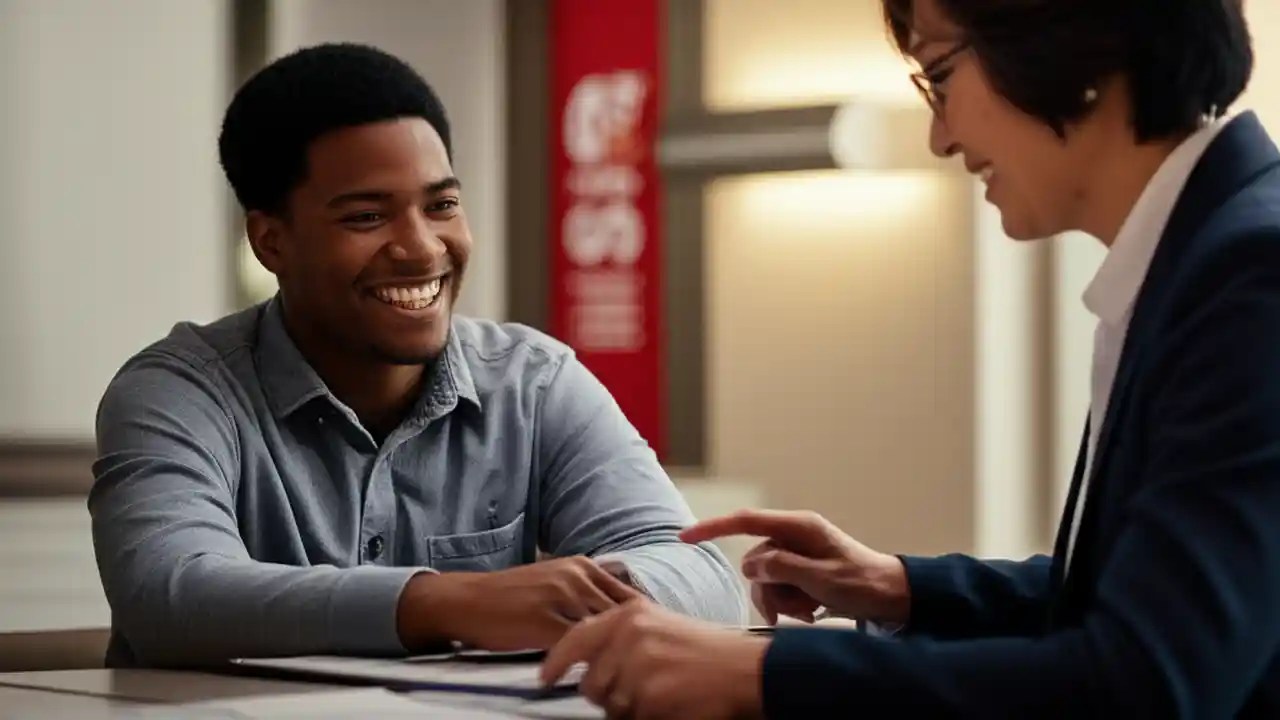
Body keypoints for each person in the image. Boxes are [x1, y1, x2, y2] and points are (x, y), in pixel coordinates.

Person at [540, 0, 1280, 717]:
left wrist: (762, 671)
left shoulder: (1253, 276)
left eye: (940, 76)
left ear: (1070, 42)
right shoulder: (1204, 259)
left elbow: (1147, 681)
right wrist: (899, 586)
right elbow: (1140, 594)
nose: (939, 136)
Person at [88, 42, 744, 668]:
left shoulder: (534, 382)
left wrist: (580, 594)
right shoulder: (178, 391)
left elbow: (702, 577)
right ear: (271, 242)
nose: (423, 248)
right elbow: (168, 597)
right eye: (367, 217)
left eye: (442, 206)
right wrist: (447, 602)